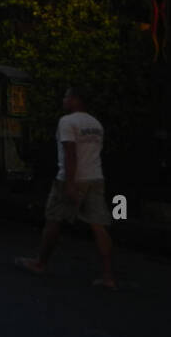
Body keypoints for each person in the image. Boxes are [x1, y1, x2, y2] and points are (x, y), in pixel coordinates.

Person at [16, 86, 115, 289]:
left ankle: (40, 262)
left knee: (54, 220)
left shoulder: (67, 122)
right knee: (99, 226)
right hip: (95, 178)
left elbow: (70, 153)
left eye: (66, 96)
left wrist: (70, 183)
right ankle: (108, 276)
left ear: (75, 100)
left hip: (70, 179)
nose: (63, 100)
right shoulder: (96, 124)